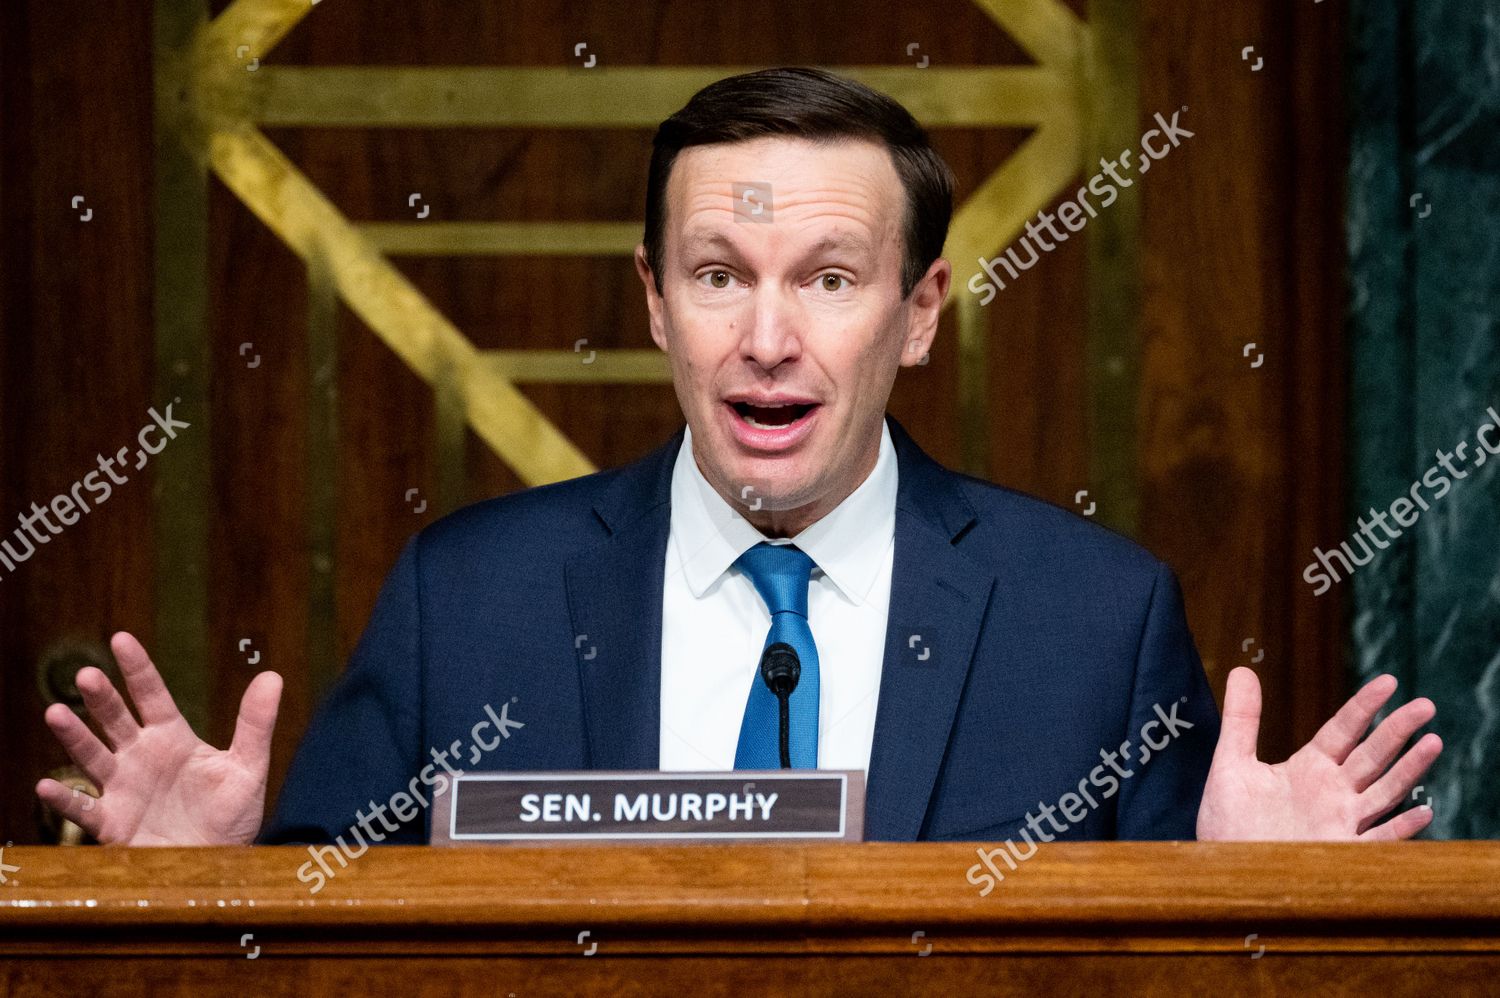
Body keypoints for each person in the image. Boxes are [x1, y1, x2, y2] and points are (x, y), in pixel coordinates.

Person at [34, 67, 1440, 848]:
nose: (767, 337)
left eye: (829, 278)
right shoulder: (470, 598)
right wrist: (200, 900)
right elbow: (317, 954)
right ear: (656, 301)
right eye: (720, 273)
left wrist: (1249, 913)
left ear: (921, 313)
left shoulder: (1096, 616)